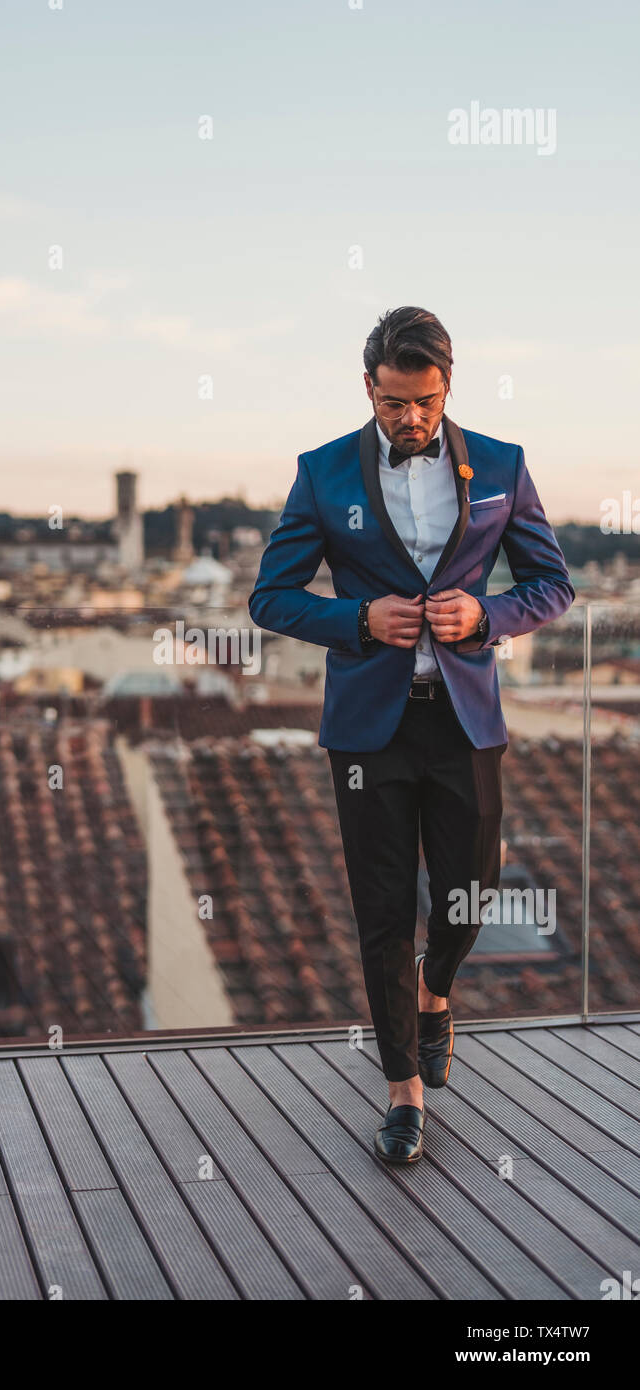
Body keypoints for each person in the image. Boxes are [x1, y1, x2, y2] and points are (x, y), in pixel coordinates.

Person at [248, 306, 574, 1164]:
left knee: (471, 889)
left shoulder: (502, 465)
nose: (411, 419)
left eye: (425, 402)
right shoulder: (321, 474)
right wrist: (358, 618)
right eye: (395, 403)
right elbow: (269, 598)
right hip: (368, 733)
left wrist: (487, 614)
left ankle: (437, 991)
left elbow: (552, 585)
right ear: (369, 389)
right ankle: (403, 1094)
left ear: (447, 387)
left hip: (465, 718)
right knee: (383, 910)